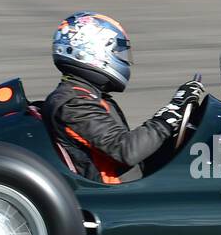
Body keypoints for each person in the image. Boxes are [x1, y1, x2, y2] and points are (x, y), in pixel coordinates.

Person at [42, 12, 205, 184]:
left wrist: (182, 120)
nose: (123, 59)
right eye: (117, 51)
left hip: (132, 180)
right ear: (89, 50)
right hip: (116, 195)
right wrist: (168, 117)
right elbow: (126, 151)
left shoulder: (87, 95)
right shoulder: (74, 103)